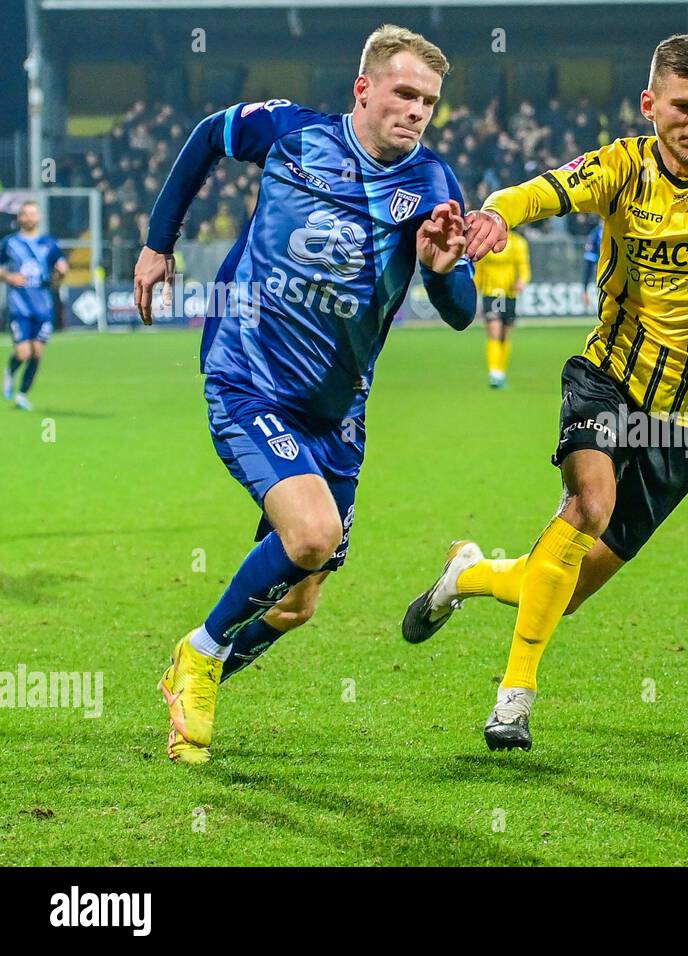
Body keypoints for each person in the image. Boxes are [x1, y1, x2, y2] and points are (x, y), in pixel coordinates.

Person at [402, 33, 688, 751]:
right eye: (684, 106)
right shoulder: (624, 166)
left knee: (560, 590)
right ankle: (513, 700)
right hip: (612, 379)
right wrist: (499, 215)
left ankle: (467, 574)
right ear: (651, 104)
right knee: (588, 505)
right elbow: (545, 188)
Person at [135, 24, 476, 764]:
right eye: (405, 93)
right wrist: (161, 243)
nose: (417, 111)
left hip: (337, 412)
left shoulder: (432, 185)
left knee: (297, 604)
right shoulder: (290, 133)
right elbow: (206, 136)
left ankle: (204, 676)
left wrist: (444, 266)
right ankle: (197, 653)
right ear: (364, 88)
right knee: (312, 534)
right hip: (247, 376)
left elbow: (460, 311)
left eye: (429, 101)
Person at [2, 201, 68, 410]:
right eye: (25, 214)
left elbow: (60, 269)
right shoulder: (10, 243)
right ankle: (10, 371)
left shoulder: (49, 243)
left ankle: (22, 395)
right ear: (20, 218)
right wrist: (9, 277)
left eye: (32, 214)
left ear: (38, 218)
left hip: (43, 307)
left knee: (37, 353)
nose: (29, 218)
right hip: (20, 307)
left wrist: (61, 273)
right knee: (24, 353)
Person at [474, 227, 530, 388]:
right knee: (494, 331)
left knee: (505, 335)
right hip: (491, 293)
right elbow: (479, 270)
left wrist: (522, 281)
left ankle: (501, 372)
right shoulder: (485, 241)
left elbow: (524, 267)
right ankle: (494, 373)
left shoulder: (518, 243)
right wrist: (474, 291)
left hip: (509, 294)